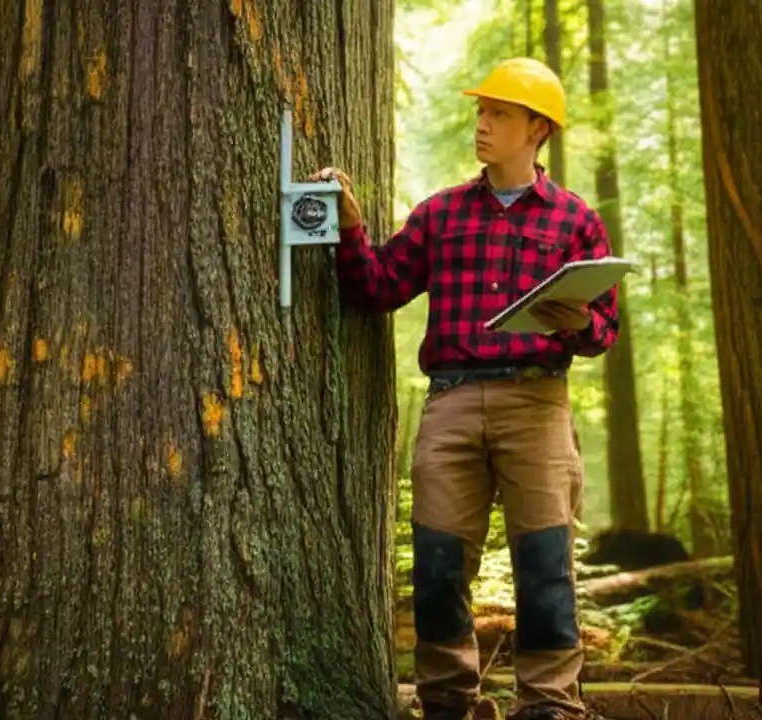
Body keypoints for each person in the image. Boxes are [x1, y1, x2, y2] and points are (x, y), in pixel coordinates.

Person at [313, 57, 619, 720]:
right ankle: (448, 703)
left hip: (538, 405)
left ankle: (549, 706)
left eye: (499, 114)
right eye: (480, 112)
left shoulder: (574, 221)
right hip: (450, 404)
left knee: (544, 569)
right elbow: (376, 289)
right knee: (438, 569)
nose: (482, 124)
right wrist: (349, 228)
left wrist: (579, 322)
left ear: (537, 129)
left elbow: (604, 333)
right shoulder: (441, 214)